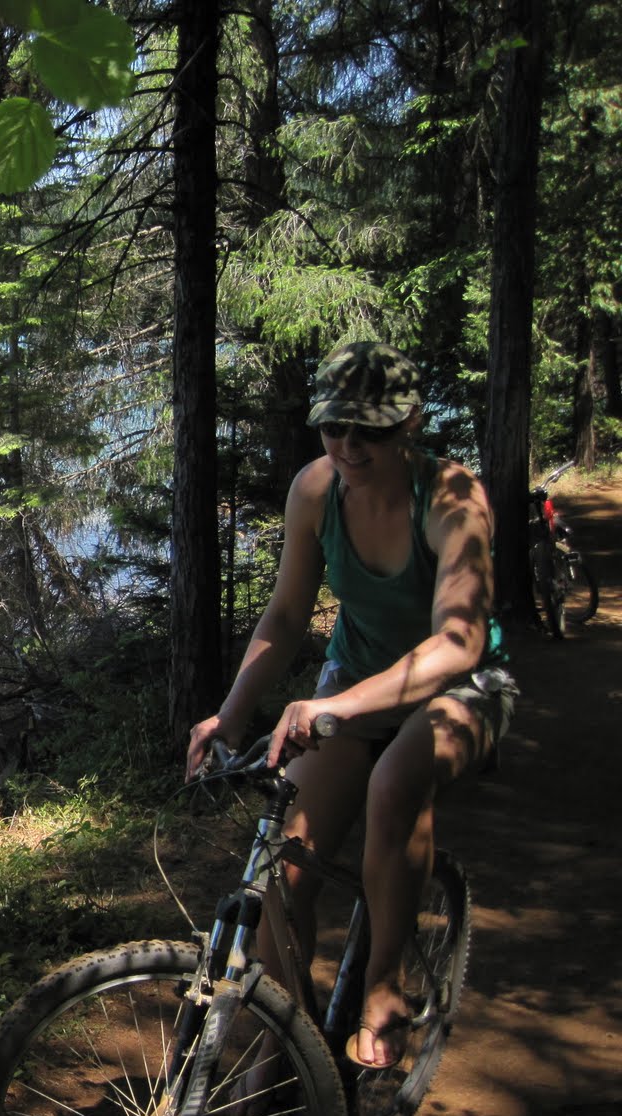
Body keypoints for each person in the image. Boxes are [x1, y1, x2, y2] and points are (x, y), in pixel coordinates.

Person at [185, 341, 515, 1070]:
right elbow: (284, 614)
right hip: (359, 682)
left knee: (396, 784)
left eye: (368, 430)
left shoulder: (454, 500)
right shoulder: (315, 490)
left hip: (463, 689)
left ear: (408, 425)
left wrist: (334, 706)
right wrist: (231, 713)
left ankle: (385, 985)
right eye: (335, 428)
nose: (349, 445)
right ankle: (291, 1038)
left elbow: (458, 643)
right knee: (280, 866)